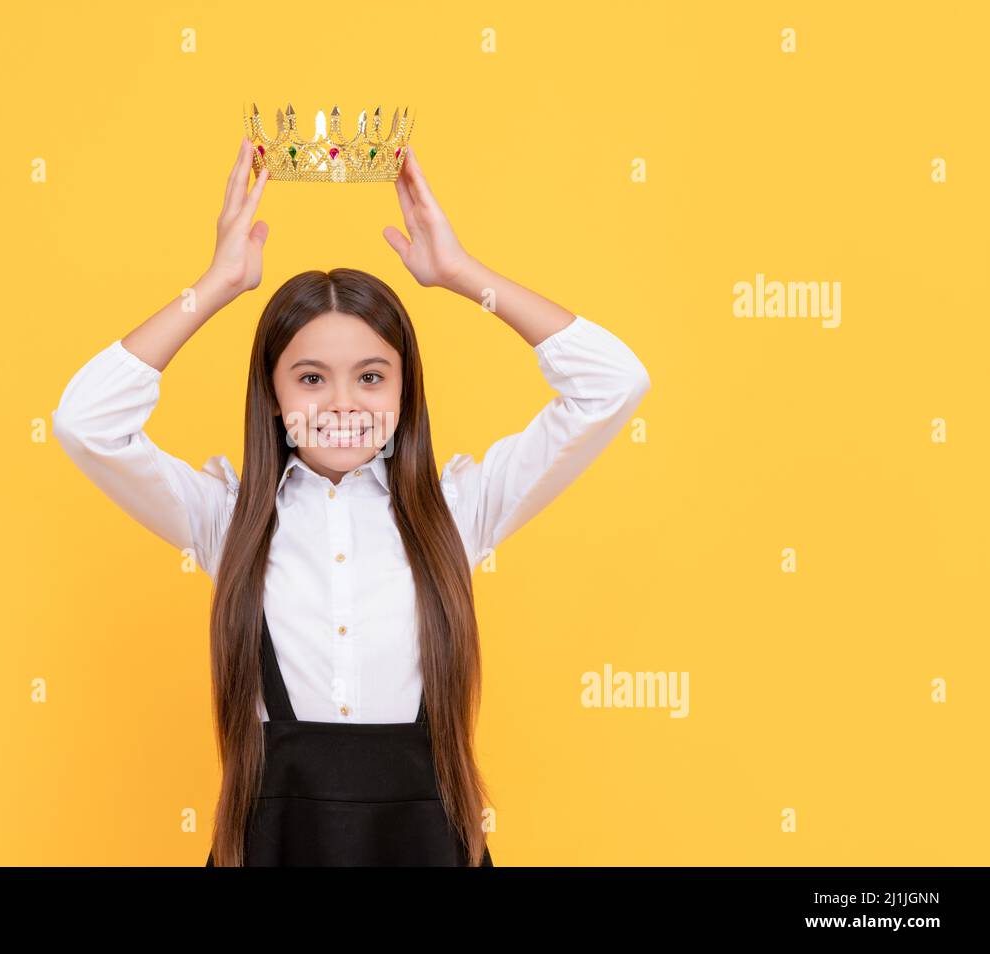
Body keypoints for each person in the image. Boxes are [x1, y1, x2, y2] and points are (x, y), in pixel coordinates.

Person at [52, 138, 651, 866]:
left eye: (371, 377)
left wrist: (462, 274)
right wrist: (215, 285)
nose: (343, 403)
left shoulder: (458, 510)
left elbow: (613, 385)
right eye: (311, 378)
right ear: (273, 395)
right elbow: (85, 423)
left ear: (405, 389)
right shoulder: (227, 518)